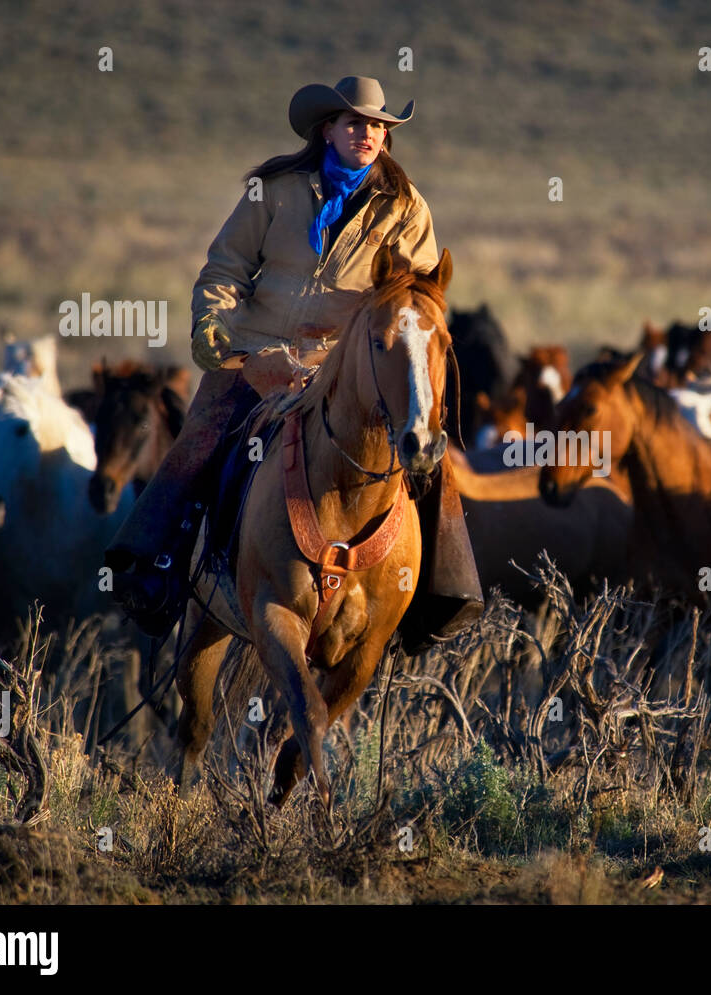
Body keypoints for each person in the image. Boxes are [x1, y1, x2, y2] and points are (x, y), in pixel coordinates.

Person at [105, 75, 481, 645]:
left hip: (346, 368)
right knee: (199, 442)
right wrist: (216, 330)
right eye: (356, 122)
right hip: (255, 355)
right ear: (326, 128)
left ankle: (438, 600)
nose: (368, 133)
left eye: (378, 125)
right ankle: (150, 572)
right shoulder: (274, 189)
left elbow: (419, 296)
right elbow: (224, 269)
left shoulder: (406, 208)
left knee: (425, 449)